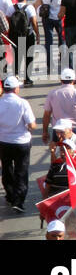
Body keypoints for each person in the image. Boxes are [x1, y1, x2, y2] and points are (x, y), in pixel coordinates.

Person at [0, 75, 37, 212]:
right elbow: (32, 125)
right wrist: (30, 127)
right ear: (16, 89)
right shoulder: (22, 103)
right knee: (21, 171)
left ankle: (10, 195)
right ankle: (18, 200)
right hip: (21, 142)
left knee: (7, 169)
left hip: (4, 142)